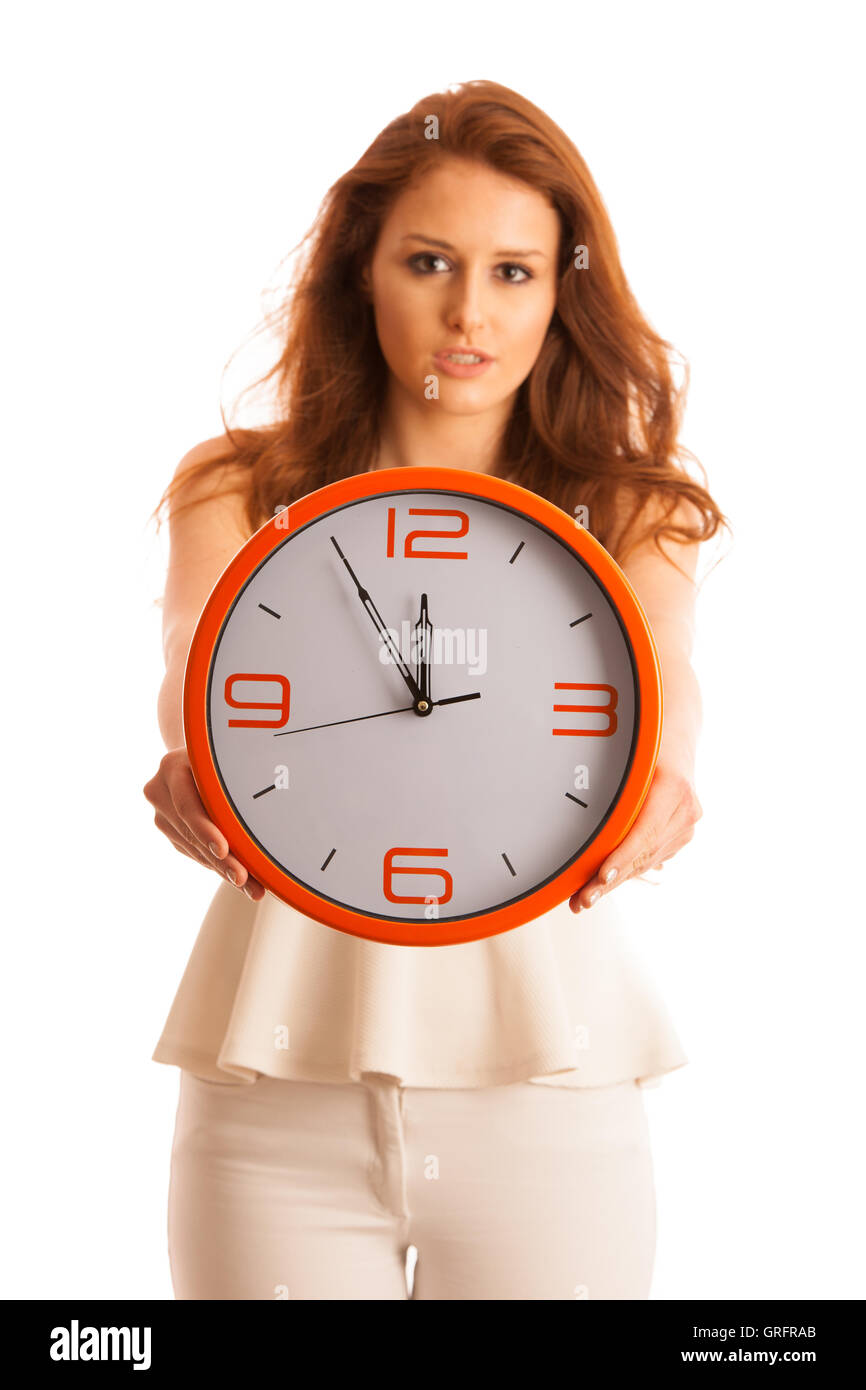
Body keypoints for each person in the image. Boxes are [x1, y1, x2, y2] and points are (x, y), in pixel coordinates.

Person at [143, 79, 729, 1301]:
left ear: (560, 292)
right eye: (428, 262)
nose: (468, 311)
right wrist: (193, 760)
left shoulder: (628, 508)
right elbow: (198, 670)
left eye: (513, 271)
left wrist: (666, 777)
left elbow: (660, 682)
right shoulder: (239, 487)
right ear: (361, 271)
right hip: (277, 1093)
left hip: (546, 1087)